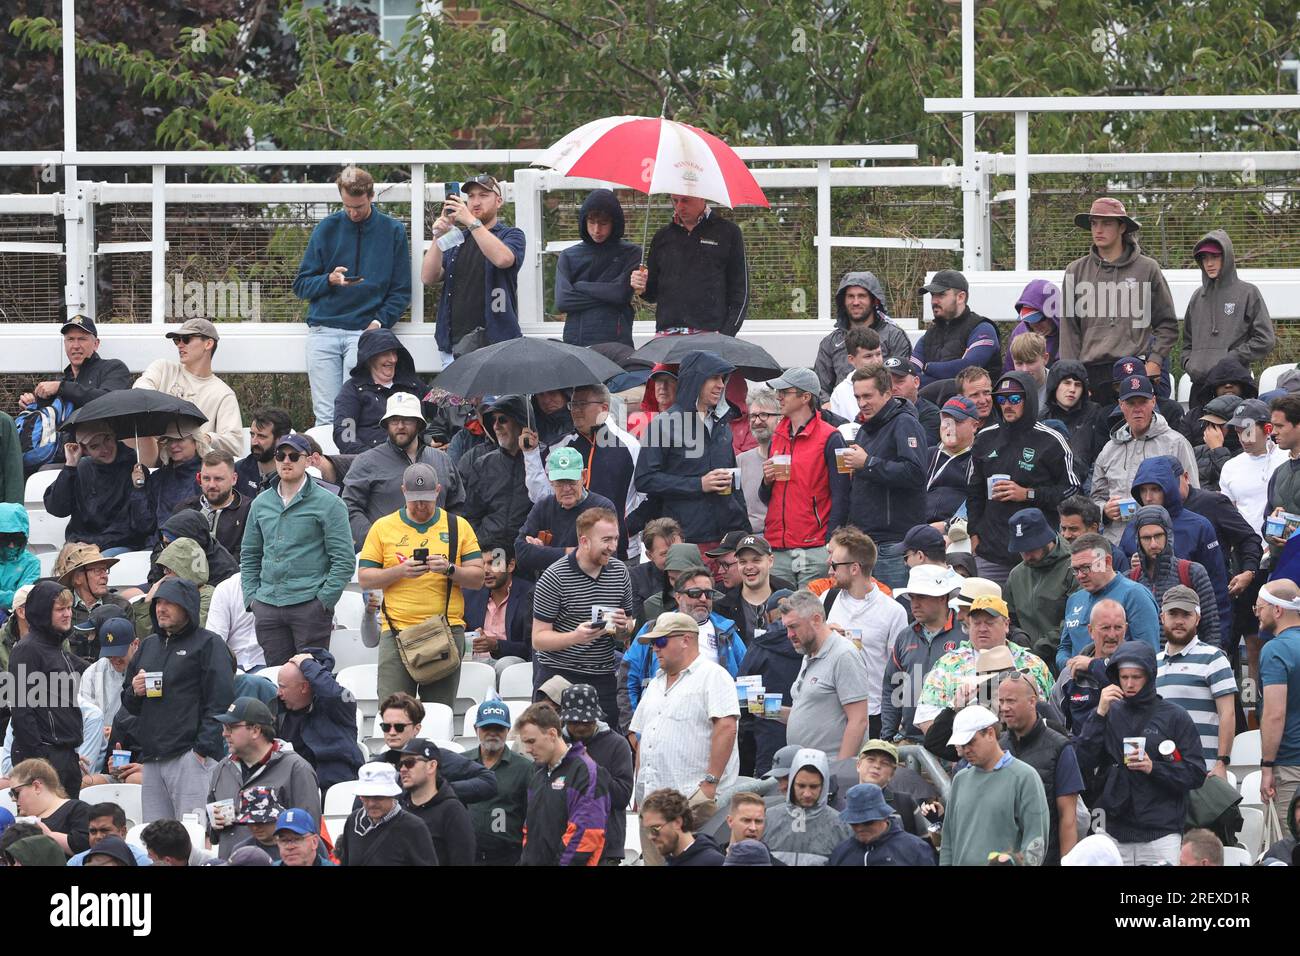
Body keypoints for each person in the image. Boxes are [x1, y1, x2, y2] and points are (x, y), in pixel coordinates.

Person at [291, 166, 412, 425]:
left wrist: (378, 323)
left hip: (364, 332)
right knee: (325, 416)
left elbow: (401, 291)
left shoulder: (393, 231)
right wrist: (329, 280)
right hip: (323, 330)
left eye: (358, 206)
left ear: (371, 196)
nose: (353, 213)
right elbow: (301, 285)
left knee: (355, 414)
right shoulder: (327, 228)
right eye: (347, 206)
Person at [358, 461, 484, 704]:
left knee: (439, 710)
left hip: (446, 629)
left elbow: (478, 579)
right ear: (403, 491)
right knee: (393, 710)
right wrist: (400, 571)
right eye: (414, 499)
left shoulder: (458, 526)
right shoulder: (383, 527)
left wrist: (449, 569)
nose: (420, 506)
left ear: (438, 491)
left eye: (426, 499)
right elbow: (365, 578)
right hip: (396, 630)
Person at [1075, 641, 1207, 865]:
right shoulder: (1107, 711)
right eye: (1124, 677)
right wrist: (1098, 714)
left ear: (1150, 676)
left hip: (1161, 832)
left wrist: (1154, 767)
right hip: (1113, 828)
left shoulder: (1175, 716)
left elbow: (1196, 774)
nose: (1129, 683)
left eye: (1136, 677)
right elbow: (1082, 761)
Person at [120, 577, 235, 822]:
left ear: (187, 606)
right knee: (156, 835)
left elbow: (220, 701)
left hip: (190, 756)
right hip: (152, 759)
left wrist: (201, 750)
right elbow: (129, 705)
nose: (161, 608)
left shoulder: (209, 644)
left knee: (194, 832)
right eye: (158, 602)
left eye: (169, 603)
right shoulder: (148, 645)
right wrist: (134, 691)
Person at [628, 611, 740, 861]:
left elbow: (726, 727)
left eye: (661, 641)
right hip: (653, 805)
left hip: (691, 802)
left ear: (686, 640)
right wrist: (639, 791)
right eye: (653, 644)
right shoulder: (656, 682)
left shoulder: (713, 675)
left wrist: (709, 785)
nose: (655, 649)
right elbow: (643, 738)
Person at [241, 433, 355, 665]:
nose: (286, 461)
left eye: (294, 456)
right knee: (277, 677)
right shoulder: (260, 503)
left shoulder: (330, 503)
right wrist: (252, 599)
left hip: (309, 606)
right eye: (280, 455)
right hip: (268, 606)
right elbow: (250, 554)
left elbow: (344, 560)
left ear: (308, 461)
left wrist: (323, 602)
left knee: (312, 678)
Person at [1059, 197, 1177, 404]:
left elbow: (1167, 324)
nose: (1098, 230)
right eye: (1094, 223)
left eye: (1106, 223)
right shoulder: (1075, 271)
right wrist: (1074, 377)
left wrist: (1155, 360)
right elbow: (1069, 331)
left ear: (1122, 227)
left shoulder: (1147, 269)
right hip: (1090, 374)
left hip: (1134, 370)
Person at [966, 371, 1080, 584]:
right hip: (991, 551)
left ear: (1029, 399)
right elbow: (974, 491)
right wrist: (973, 533)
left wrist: (1027, 494)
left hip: (1038, 551)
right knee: (986, 605)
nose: (1007, 405)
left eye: (1015, 398)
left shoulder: (1051, 440)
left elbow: (1070, 488)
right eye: (1001, 399)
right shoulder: (985, 437)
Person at [634, 350, 749, 550]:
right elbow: (645, 479)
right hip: (687, 541)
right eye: (714, 377)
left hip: (728, 540)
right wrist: (699, 484)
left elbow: (734, 483)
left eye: (722, 378)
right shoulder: (663, 425)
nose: (721, 385)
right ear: (696, 380)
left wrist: (744, 530)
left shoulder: (723, 423)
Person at [531, 507, 634, 727]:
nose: (613, 546)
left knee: (605, 743)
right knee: (551, 741)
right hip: (559, 675)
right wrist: (576, 637)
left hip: (603, 676)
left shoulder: (620, 572)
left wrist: (624, 627)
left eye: (615, 539)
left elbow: (626, 631)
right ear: (584, 541)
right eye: (606, 540)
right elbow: (538, 639)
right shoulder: (554, 577)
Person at [1120, 457, 1232, 645]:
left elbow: (1217, 589)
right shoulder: (1133, 528)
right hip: (1143, 647)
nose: (1148, 497)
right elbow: (1120, 584)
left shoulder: (1198, 526)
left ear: (1169, 488)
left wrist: (1218, 647)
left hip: (1190, 638)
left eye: (1155, 489)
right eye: (1143, 490)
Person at [524, 382, 646, 550]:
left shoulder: (630, 446)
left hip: (620, 550)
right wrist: (530, 454)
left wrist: (624, 529)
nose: (575, 410)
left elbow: (646, 496)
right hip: (571, 550)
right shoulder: (558, 447)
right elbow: (541, 496)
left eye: (582, 404)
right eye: (572, 404)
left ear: (604, 408)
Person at [423, 173, 526, 366]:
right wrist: (438, 236)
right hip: (454, 347)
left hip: (497, 345)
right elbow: (428, 277)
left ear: (499, 201)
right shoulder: (457, 238)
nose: (476, 202)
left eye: (483, 195)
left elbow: (503, 259)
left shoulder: (511, 235)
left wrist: (471, 222)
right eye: (471, 196)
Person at [760, 366, 848, 587]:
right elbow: (766, 497)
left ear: (806, 397)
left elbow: (843, 494)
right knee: (780, 608)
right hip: (778, 547)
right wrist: (767, 481)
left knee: (810, 606)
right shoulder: (777, 435)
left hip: (815, 547)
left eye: (785, 392)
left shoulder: (832, 437)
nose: (778, 397)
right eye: (778, 392)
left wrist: (830, 541)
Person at [843, 363, 928, 590]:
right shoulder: (864, 429)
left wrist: (868, 463)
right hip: (865, 542)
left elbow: (916, 473)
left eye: (868, 396)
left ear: (887, 394)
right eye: (857, 397)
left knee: (896, 605)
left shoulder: (905, 423)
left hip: (894, 544)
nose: (862, 403)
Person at [913, 595, 1053, 733]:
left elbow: (1052, 713)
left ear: (1006, 624)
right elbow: (927, 720)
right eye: (976, 623)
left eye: (989, 623)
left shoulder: (1033, 664)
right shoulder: (947, 665)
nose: (982, 629)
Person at [344, 392, 466, 549]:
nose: (400, 426)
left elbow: (458, 504)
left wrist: (449, 541)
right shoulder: (366, 461)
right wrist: (375, 541)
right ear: (386, 424)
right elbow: (349, 507)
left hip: (438, 555)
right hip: (385, 557)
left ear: (419, 424)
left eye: (407, 419)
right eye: (394, 420)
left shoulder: (443, 460)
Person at [206, 696, 321, 859]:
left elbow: (310, 833)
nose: (224, 734)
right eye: (224, 728)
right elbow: (212, 834)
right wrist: (214, 824)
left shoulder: (296, 769)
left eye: (231, 727)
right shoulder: (222, 768)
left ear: (255, 730)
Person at [1091, 375, 1199, 543]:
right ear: (1121, 405)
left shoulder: (1176, 443)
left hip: (1163, 542)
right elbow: (1095, 498)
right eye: (1131, 403)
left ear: (1153, 402)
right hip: (1117, 542)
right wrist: (1104, 510)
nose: (1137, 409)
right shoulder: (1109, 449)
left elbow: (1193, 495)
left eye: (1143, 402)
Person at [822, 527, 906, 739]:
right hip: (832, 711)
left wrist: (897, 719)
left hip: (874, 714)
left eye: (835, 564)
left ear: (854, 569)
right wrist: (823, 636)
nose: (829, 568)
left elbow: (900, 671)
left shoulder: (893, 611)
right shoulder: (826, 599)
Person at [939, 705, 1050, 866]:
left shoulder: (1025, 777)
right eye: (962, 745)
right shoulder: (960, 780)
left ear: (990, 733)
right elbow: (948, 840)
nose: (966, 750)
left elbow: (1036, 841)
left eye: (970, 742)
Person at [6, 581, 85, 797]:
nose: (67, 614)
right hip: (43, 758)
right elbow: (22, 711)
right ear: (42, 612)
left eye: (69, 608)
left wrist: (68, 755)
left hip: (64, 754)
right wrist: (41, 761)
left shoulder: (57, 648)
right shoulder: (27, 649)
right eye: (60, 609)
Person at [630, 194, 747, 336]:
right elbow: (652, 294)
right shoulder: (662, 237)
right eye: (675, 201)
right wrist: (642, 287)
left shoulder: (728, 232)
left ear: (702, 196)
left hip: (711, 334)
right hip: (667, 335)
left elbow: (740, 291)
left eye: (685, 200)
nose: (679, 206)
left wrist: (726, 335)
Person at [997, 673, 1084, 865]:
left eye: (1011, 701)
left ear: (1032, 701)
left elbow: (1068, 818)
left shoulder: (1060, 747)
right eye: (1001, 701)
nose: (1004, 708)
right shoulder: (997, 747)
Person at [133, 318, 243, 461]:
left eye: (186, 339)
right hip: (152, 456)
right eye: (177, 340)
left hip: (192, 463)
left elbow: (235, 444)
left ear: (208, 344)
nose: (180, 345)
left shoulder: (223, 393)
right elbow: (138, 393)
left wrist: (205, 438)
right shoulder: (163, 368)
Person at [779, 589, 871, 759]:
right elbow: (811, 713)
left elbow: (859, 721)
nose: (789, 635)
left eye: (793, 627)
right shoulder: (808, 653)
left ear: (816, 619)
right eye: (787, 628)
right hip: (808, 768)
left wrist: (840, 769)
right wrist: (770, 711)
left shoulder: (844, 654)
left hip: (832, 768)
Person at [1155, 585, 1237, 773]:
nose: (1179, 621)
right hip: (1161, 772)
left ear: (1198, 619)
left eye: (1186, 614)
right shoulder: (1153, 663)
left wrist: (1221, 762)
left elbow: (1228, 714)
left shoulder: (1214, 658)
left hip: (1204, 771)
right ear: (1162, 617)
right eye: (1173, 614)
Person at [516, 702, 609, 866]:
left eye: (531, 741)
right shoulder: (538, 775)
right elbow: (529, 829)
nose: (527, 749)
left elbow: (585, 835)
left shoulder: (585, 772)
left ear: (552, 734)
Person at [881, 564, 964, 741]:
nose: (914, 604)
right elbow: (891, 687)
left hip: (955, 742)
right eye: (912, 597)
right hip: (910, 739)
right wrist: (887, 736)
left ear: (942, 598)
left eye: (922, 597)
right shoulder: (905, 636)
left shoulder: (966, 634)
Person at [1182, 231, 1275, 388]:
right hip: (1199, 384)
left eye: (1215, 257)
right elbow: (1187, 342)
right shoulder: (1197, 297)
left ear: (1227, 257)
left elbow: (1265, 339)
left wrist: (1232, 358)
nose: (1209, 263)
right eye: (1204, 258)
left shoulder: (1248, 293)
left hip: (1232, 383)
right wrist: (1189, 363)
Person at [1057, 533, 1161, 672]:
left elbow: (1148, 656)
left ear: (1107, 561)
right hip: (1077, 682)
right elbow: (1064, 648)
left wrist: (1094, 666)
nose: (1080, 575)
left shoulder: (1135, 595)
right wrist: (1071, 664)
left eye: (1086, 567)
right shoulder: (1074, 599)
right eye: (1075, 570)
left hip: (1118, 683)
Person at [45, 422, 151, 555]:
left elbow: (143, 526)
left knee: (97, 561)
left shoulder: (136, 471)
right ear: (84, 449)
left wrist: (138, 489)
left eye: (107, 439)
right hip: (81, 546)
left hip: (121, 545)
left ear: (114, 437)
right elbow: (58, 509)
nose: (105, 449)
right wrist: (70, 466)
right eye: (95, 446)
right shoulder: (80, 469)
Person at [515, 447, 621, 576]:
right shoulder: (543, 506)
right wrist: (573, 552)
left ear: (584, 476)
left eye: (571, 481)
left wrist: (543, 552)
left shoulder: (602, 508)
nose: (566, 488)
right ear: (550, 481)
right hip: (550, 585)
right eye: (560, 482)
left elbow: (605, 557)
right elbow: (521, 554)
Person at [554, 188, 641, 346]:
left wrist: (579, 286)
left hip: (617, 344)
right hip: (577, 343)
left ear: (614, 223)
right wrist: (609, 296)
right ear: (584, 221)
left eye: (603, 223)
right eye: (591, 222)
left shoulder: (631, 253)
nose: (596, 230)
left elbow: (620, 294)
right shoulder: (568, 256)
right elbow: (563, 301)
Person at [1128, 506, 1222, 647]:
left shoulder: (1193, 572)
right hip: (1142, 658)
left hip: (1188, 657)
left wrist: (1210, 659)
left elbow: (1211, 629)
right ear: (1138, 540)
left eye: (1158, 536)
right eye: (1146, 538)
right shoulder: (1130, 579)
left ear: (1168, 535)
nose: (1153, 544)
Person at [561, 684, 634, 866]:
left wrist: (592, 768)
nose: (580, 727)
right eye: (574, 722)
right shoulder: (556, 744)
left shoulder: (617, 744)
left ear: (596, 717)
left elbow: (622, 797)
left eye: (586, 721)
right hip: (561, 844)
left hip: (605, 847)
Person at [274, 650, 364, 795]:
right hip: (298, 789)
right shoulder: (281, 710)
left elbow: (334, 694)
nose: (278, 693)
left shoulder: (339, 705)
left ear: (304, 687)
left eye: (283, 686)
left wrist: (307, 664)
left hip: (338, 787)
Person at [18, 314, 130, 430]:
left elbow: (110, 401)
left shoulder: (114, 368)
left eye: (82, 339)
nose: (76, 346)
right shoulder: (60, 382)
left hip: (105, 440)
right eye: (70, 339)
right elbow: (47, 423)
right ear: (65, 344)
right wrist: (32, 404)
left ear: (96, 344)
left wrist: (62, 387)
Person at [815, 270, 912, 400]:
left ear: (874, 300)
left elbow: (901, 382)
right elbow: (821, 388)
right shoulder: (830, 342)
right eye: (850, 296)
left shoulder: (894, 336)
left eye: (861, 296)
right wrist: (827, 405)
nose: (855, 302)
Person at [332, 327, 426, 455]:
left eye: (394, 353)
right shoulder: (352, 390)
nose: (393, 359)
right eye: (385, 353)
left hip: (415, 457)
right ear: (369, 357)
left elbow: (443, 407)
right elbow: (344, 433)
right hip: (367, 458)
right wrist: (371, 457)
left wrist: (433, 436)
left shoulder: (413, 384)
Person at [458, 394, 536, 547]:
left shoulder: (543, 459)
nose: (496, 426)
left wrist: (532, 454)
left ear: (521, 422)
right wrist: (480, 545)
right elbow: (471, 516)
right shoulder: (483, 464)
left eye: (502, 420)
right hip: (490, 552)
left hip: (529, 550)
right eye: (493, 421)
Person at [462, 699, 531, 865]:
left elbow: (533, 818)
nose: (493, 733)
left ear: (508, 730)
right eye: (487, 727)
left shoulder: (525, 768)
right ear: (476, 729)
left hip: (509, 858)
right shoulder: (460, 763)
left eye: (499, 728)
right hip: (466, 857)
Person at [1004, 508, 1076, 664]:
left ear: (1046, 539)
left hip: (1065, 656)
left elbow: (1075, 619)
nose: (1026, 556)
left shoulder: (1074, 567)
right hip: (1026, 659)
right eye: (1021, 550)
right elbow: (1007, 617)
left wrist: (1041, 647)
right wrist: (1017, 636)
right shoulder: (1016, 575)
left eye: (1031, 549)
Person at [389, 738, 475, 866]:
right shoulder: (397, 808)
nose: (402, 769)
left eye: (409, 763)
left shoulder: (452, 811)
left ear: (432, 766)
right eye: (399, 765)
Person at [910, 270, 1002, 388]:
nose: (934, 301)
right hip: (928, 400)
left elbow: (968, 370)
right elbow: (911, 377)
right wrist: (948, 377)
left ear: (960, 297)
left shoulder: (982, 329)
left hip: (974, 400)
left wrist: (928, 368)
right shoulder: (929, 335)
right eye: (932, 295)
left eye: (941, 295)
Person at [335, 761, 438, 866]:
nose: (371, 803)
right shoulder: (353, 821)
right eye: (366, 797)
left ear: (392, 795)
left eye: (378, 797)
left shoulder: (413, 827)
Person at [761, 747, 851, 866]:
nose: (807, 794)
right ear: (792, 783)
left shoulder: (841, 825)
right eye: (801, 786)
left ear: (824, 786)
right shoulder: (766, 819)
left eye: (813, 787)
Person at [1255, 580, 1300, 812]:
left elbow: (1274, 714)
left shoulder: (1276, 649)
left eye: (1259, 607)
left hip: (1291, 766)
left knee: (1290, 836)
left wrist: (1267, 766)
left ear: (1278, 610)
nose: (1257, 614)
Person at [462, 542, 535, 668]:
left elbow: (533, 647)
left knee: (504, 664)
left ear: (510, 565)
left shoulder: (530, 594)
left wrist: (497, 645)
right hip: (476, 663)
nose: (486, 570)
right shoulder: (469, 594)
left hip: (513, 664)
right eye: (482, 564)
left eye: (493, 563)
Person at [828, 782, 936, 866]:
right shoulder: (840, 853)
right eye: (854, 823)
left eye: (868, 822)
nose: (860, 828)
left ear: (884, 816)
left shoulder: (914, 849)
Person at [170, 450, 251, 557]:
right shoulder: (184, 509)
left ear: (234, 479)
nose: (211, 485)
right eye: (206, 478)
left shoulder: (249, 511)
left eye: (218, 479)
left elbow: (247, 557)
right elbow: (163, 550)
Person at [6, 755, 90, 858]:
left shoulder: (77, 809)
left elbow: (86, 847)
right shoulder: (22, 820)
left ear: (36, 786)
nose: (13, 799)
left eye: (16, 792)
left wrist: (49, 835)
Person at [924, 396, 979, 526]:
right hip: (918, 527)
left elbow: (981, 505)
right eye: (946, 422)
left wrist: (947, 525)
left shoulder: (981, 459)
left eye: (957, 422)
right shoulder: (928, 455)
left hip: (958, 530)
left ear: (974, 426)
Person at [853, 739, 927, 836]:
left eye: (885, 763)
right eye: (871, 759)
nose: (877, 766)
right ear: (858, 765)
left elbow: (924, 841)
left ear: (892, 773)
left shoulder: (905, 803)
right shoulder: (845, 803)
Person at [640, 788, 725, 866]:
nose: (650, 836)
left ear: (678, 822)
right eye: (648, 830)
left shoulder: (714, 862)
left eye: (655, 828)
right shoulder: (670, 862)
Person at [737, 390, 778, 532]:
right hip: (748, 537)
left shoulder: (788, 460)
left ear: (780, 418)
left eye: (764, 415)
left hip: (780, 536)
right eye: (753, 416)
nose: (757, 421)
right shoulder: (740, 461)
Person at [1002, 279, 1061, 372]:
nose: (1034, 325)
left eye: (1039, 319)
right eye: (1029, 319)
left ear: (1053, 314)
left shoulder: (1070, 335)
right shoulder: (1020, 332)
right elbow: (1008, 371)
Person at [630, 518, 684, 617]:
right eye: (665, 553)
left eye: (678, 550)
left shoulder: (699, 573)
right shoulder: (635, 578)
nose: (674, 557)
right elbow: (636, 620)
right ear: (649, 555)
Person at [827, 326, 883, 423]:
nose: (876, 361)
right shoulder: (841, 393)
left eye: (878, 354)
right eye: (868, 356)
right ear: (851, 359)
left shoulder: (893, 383)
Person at [67, 803, 152, 866]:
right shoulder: (76, 862)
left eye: (105, 830)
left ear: (123, 832)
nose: (98, 836)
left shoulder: (142, 861)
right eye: (93, 831)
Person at [235, 407, 292, 499]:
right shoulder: (238, 470)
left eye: (261, 436)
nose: (254, 442)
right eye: (252, 435)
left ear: (280, 439)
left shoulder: (292, 476)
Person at [884, 357, 942, 446]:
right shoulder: (876, 411)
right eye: (887, 383)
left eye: (899, 382)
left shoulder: (931, 414)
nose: (893, 388)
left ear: (916, 382)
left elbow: (920, 448)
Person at [0, 504, 38, 613]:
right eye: (5, 539)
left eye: (17, 539)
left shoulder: (31, 563)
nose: (11, 545)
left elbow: (22, 597)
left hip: (15, 617)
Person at [1009, 332, 1051, 408]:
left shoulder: (1059, 384)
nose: (1025, 370)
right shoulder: (1007, 389)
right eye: (1019, 363)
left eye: (1030, 362)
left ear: (1045, 358)